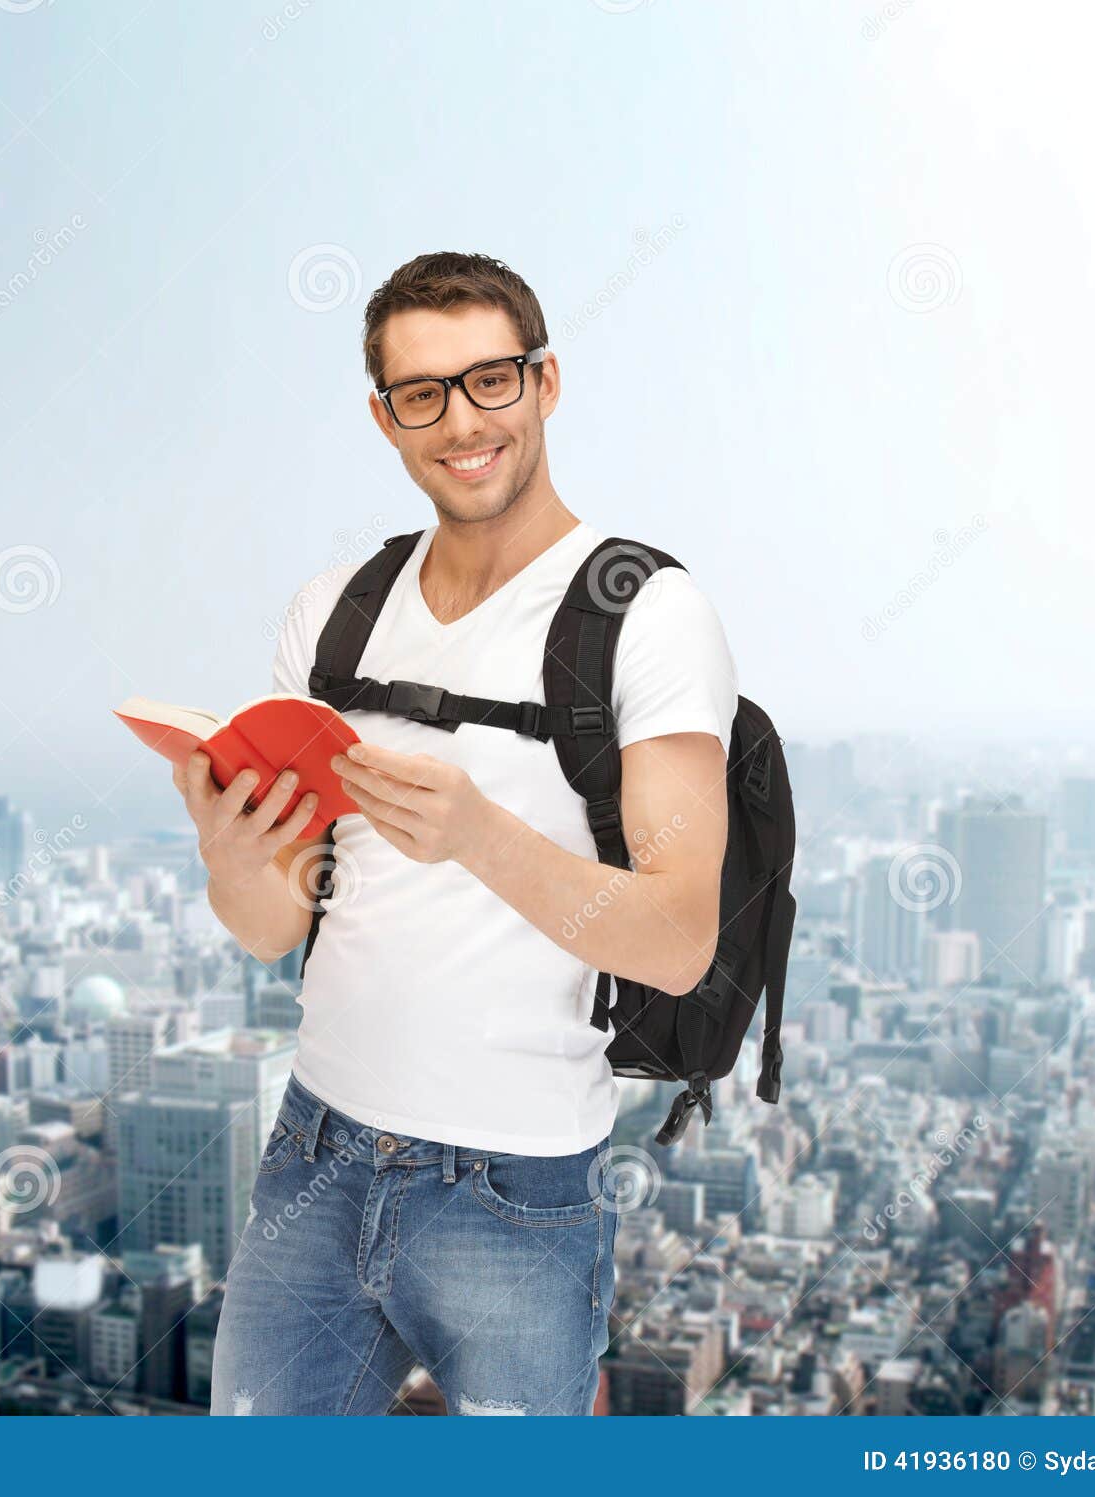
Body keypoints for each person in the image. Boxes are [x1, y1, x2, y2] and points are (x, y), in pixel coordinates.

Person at [178, 252, 738, 1415]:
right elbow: (277, 924)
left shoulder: (646, 616)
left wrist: (479, 835)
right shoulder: (331, 614)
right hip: (314, 1151)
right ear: (386, 419)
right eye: (422, 394)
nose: (462, 421)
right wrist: (232, 857)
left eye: (490, 380)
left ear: (545, 382)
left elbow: (683, 938)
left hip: (515, 1187)